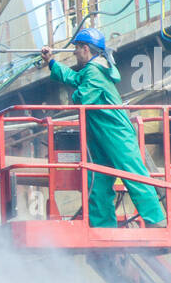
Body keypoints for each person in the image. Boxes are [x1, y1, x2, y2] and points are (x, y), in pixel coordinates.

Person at [41, 27, 166, 228]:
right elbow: (74, 79)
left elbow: (81, 98)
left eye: (77, 48)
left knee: (133, 173)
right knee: (97, 180)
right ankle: (103, 227)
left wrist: (74, 95)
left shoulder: (94, 72)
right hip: (101, 134)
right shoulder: (93, 70)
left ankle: (156, 221)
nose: (74, 52)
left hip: (115, 131)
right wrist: (52, 62)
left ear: (86, 49)